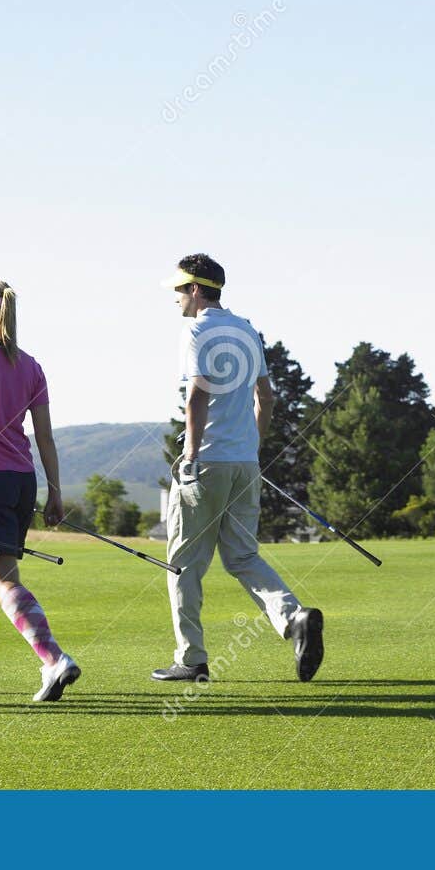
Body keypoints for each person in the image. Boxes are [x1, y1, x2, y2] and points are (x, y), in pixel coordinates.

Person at [153, 254, 324, 684]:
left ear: (196, 289)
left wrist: (191, 453)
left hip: (206, 462)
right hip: (245, 463)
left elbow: (197, 396)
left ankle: (191, 659)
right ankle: (294, 618)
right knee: (243, 556)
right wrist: (253, 447)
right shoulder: (247, 329)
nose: (176, 297)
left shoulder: (196, 330)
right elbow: (266, 397)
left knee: (183, 563)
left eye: (180, 289)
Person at [0, 281, 79, 702]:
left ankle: (54, 659)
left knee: (0, 578)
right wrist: (55, 493)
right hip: (23, 482)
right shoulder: (31, 366)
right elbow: (45, 437)